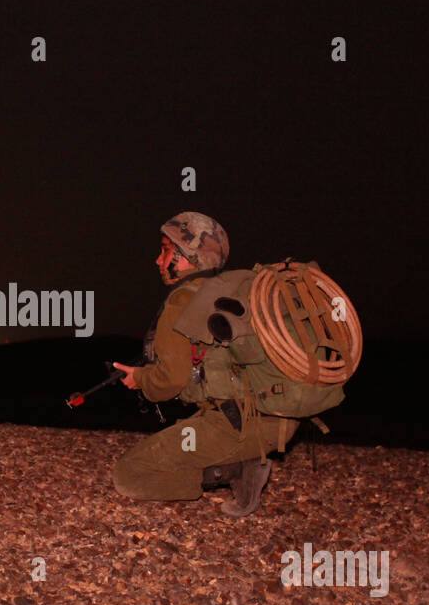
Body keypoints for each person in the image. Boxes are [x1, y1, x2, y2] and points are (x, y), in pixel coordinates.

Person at [111, 212, 296, 516]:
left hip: (238, 425)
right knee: (189, 429)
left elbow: (171, 380)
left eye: (166, 251)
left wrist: (142, 379)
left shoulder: (183, 300)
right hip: (280, 419)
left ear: (187, 256)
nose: (158, 260)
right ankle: (242, 456)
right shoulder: (241, 290)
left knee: (130, 473)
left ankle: (234, 470)